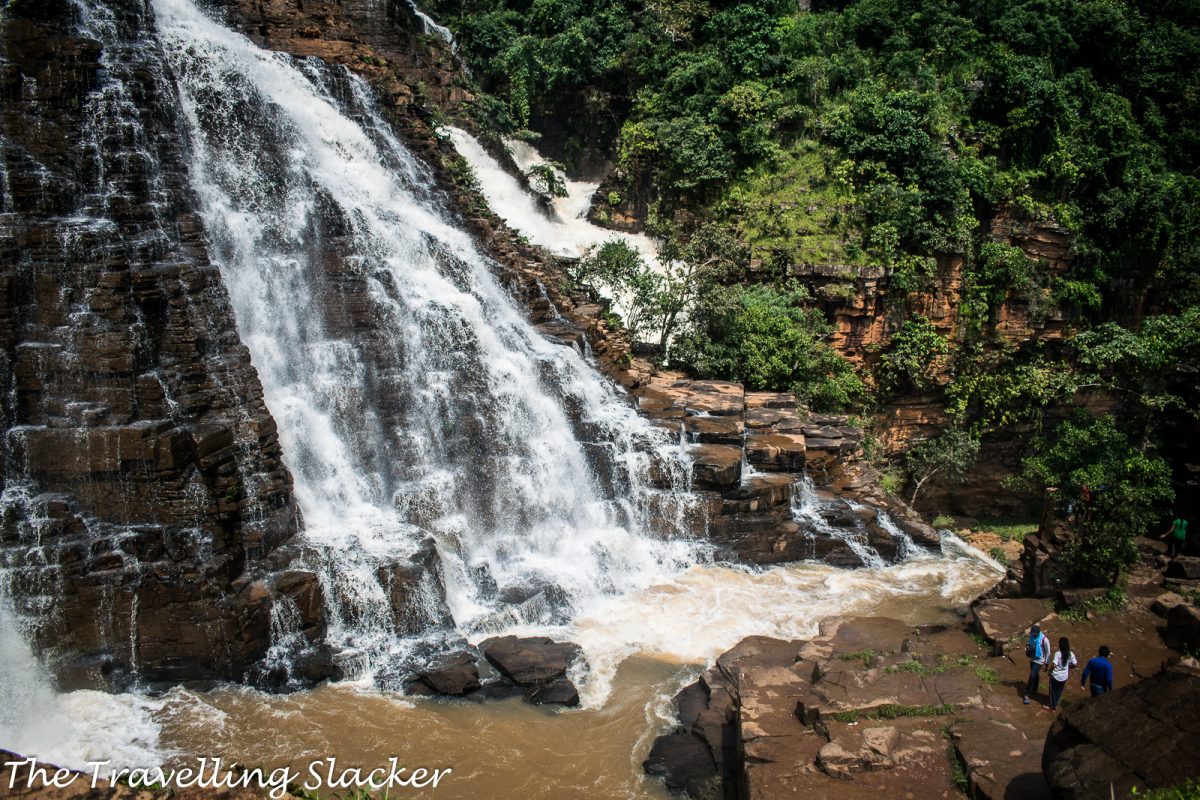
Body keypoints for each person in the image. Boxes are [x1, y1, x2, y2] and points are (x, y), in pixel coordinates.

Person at [1045, 637, 1076, 711]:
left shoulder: (1058, 654)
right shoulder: (1070, 654)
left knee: (1053, 691)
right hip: (1064, 677)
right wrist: (1068, 667)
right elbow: (1075, 664)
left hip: (1056, 676)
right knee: (1059, 691)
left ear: (1060, 645)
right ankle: (1054, 704)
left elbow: (1053, 665)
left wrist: (1049, 671)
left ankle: (1052, 707)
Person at [1023, 623, 1050, 705]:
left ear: (1038, 633)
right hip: (1032, 658)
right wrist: (1026, 649)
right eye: (1032, 634)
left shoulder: (1044, 640)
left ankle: (1027, 694)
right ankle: (1034, 689)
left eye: (1035, 634)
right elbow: (1028, 644)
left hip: (1039, 660)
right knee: (1035, 674)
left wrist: (1046, 663)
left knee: (1032, 675)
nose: (1033, 635)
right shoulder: (1031, 637)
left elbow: (1048, 653)